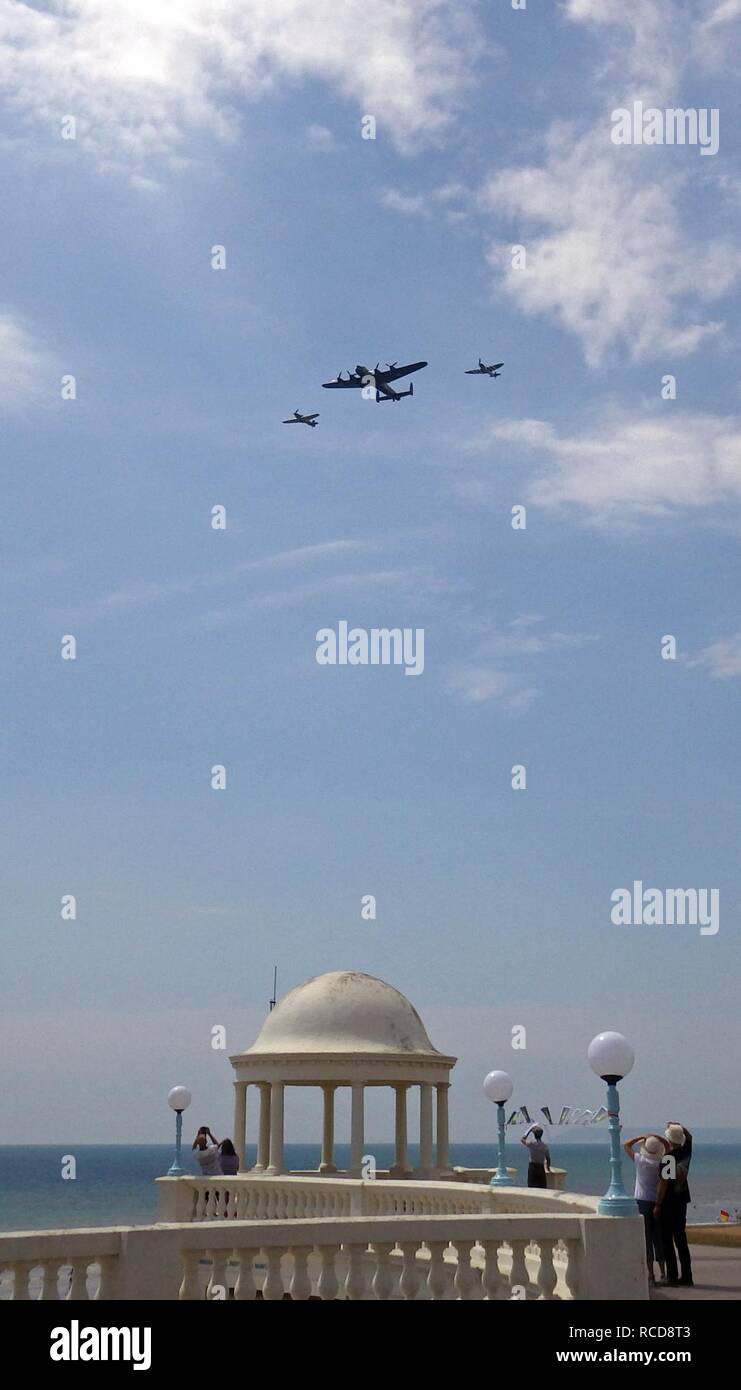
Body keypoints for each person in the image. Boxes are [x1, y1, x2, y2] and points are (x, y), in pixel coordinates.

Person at [623, 1133, 666, 1283]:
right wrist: (659, 1138)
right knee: (658, 1238)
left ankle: (651, 1275)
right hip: (657, 1202)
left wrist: (640, 1137)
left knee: (646, 1239)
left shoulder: (640, 1160)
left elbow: (626, 1145)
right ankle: (663, 1272)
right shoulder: (661, 1162)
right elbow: (668, 1147)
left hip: (642, 1201)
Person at [654, 1123, 693, 1287]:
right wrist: (679, 1126)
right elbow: (690, 1137)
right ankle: (687, 1276)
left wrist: (658, 1204)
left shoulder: (668, 1159)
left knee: (667, 1241)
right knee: (681, 1240)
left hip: (669, 1203)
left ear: (669, 1140)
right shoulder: (686, 1152)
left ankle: (672, 1276)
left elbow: (664, 1183)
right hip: (682, 1201)